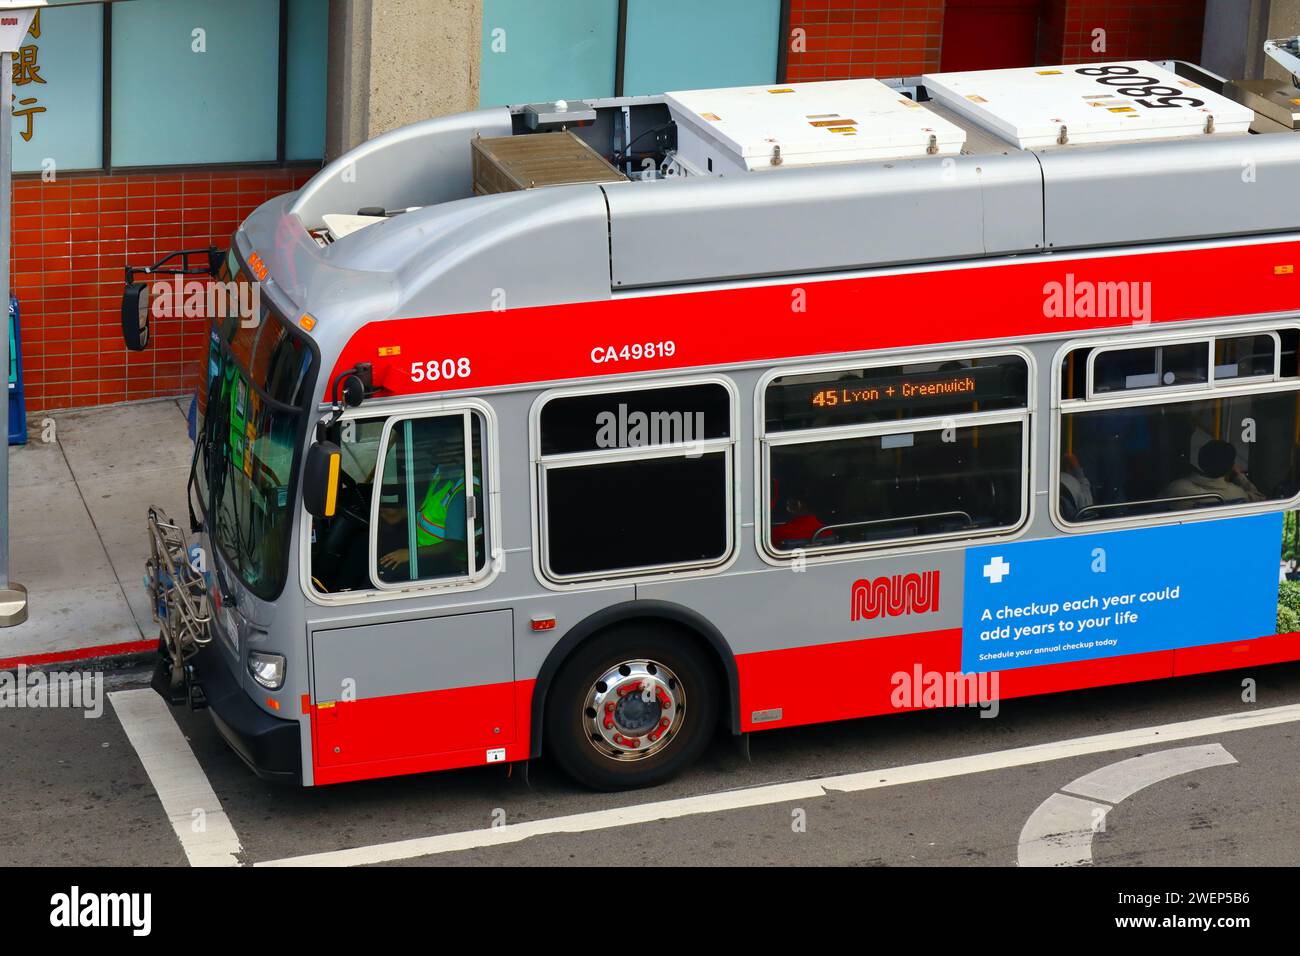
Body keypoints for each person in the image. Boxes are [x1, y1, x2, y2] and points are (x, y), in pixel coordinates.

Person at [378, 461, 480, 580]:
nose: (431, 452)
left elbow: (454, 544)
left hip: (446, 560)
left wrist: (412, 554)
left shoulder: (462, 492)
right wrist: (401, 513)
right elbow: (429, 500)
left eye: (438, 446)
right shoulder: (441, 470)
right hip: (422, 548)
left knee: (383, 573)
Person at [1161, 439, 1265, 506]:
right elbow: (1260, 499)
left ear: (1200, 461)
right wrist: (1239, 475)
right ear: (1230, 468)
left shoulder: (1177, 490)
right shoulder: (1238, 494)